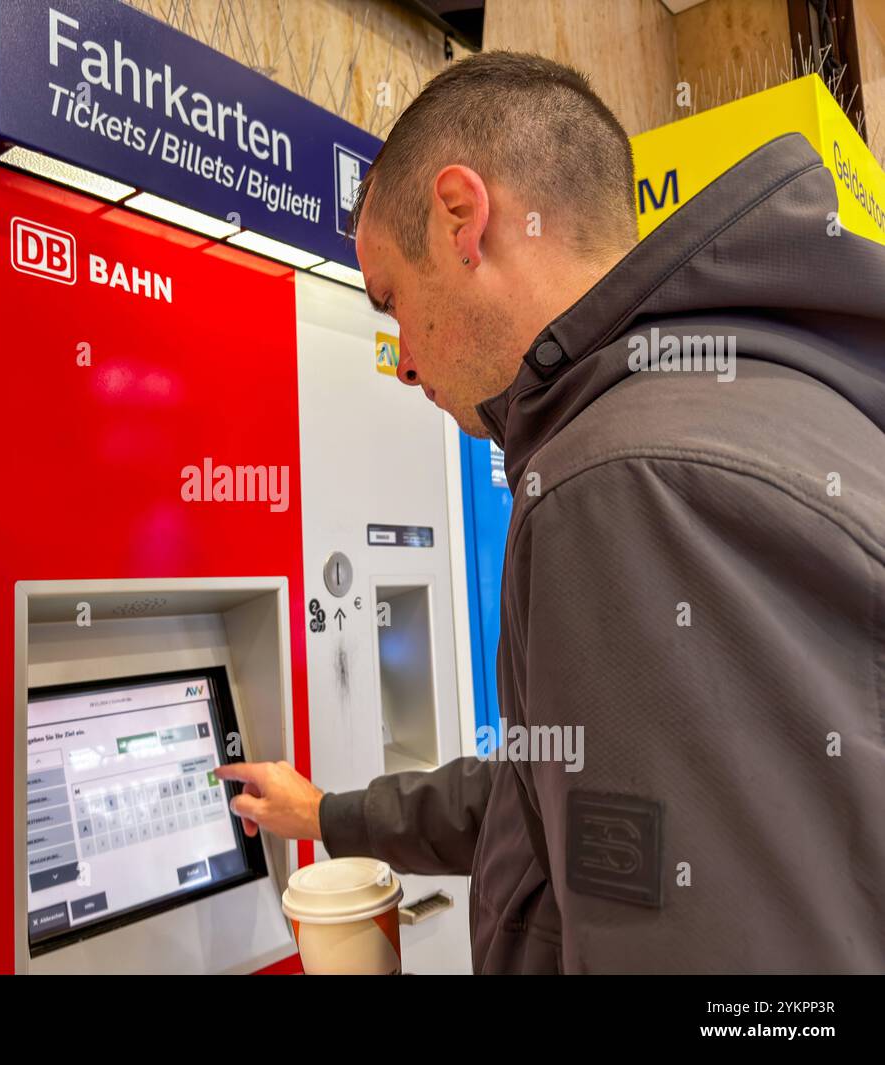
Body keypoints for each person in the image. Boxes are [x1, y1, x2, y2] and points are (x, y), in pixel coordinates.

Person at [215, 51, 885, 973]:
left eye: (393, 302)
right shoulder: (755, 390)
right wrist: (329, 814)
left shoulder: (618, 483)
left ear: (462, 216)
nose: (403, 361)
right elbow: (553, 797)